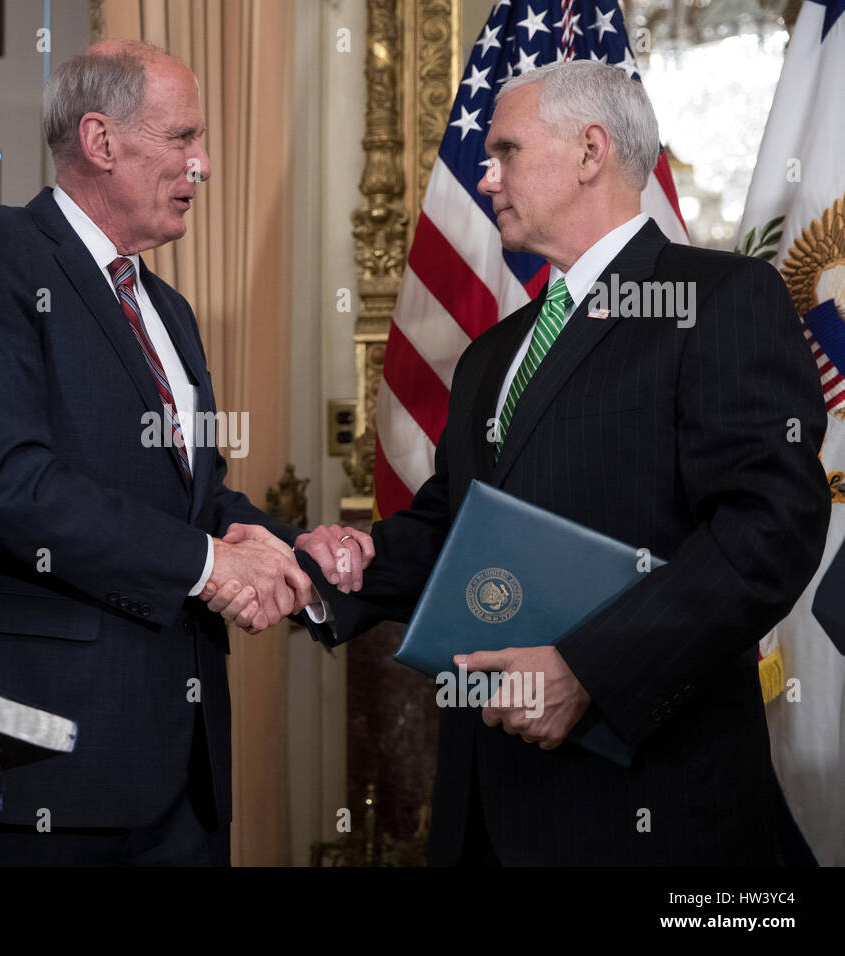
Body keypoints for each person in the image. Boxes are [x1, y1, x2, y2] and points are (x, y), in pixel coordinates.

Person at [281, 61, 830, 864]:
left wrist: (589, 670)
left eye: (505, 150)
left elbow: (767, 532)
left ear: (589, 151)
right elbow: (452, 526)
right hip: (485, 810)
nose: (486, 172)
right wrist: (330, 569)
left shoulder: (722, 299)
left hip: (651, 805)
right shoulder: (495, 351)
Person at [0, 40, 365, 866]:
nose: (204, 164)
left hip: (182, 773)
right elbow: (9, 483)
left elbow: (199, 499)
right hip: (45, 763)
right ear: (101, 140)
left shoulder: (169, 308)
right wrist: (210, 565)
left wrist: (287, 550)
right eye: (184, 138)